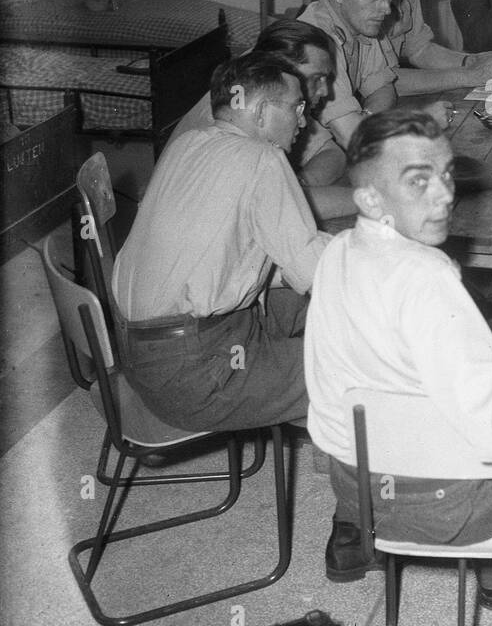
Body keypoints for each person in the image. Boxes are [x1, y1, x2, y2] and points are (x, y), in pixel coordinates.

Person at [304, 108, 492, 602]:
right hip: (447, 508)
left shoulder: (336, 251)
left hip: (359, 492)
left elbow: (398, 360)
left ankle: (352, 539)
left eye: (445, 174)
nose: (445, 195)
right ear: (370, 198)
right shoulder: (428, 277)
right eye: (419, 181)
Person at [112, 53, 331, 432]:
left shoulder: (188, 143)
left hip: (144, 355)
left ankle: (311, 410)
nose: (304, 119)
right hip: (197, 373)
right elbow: (317, 274)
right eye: (297, 106)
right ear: (261, 112)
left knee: (306, 305)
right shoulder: (262, 159)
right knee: (355, 365)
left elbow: (229, 254)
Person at [164, 18, 357, 221]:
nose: (325, 91)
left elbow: (332, 153)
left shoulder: (279, 106)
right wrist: (375, 200)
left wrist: (299, 183)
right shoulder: (232, 117)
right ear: (282, 74)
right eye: (316, 78)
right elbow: (281, 210)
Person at [300, 0, 455, 148]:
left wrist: (366, 121)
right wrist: (419, 122)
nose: (386, 9)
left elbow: (383, 88)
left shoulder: (361, 23)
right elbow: (351, 137)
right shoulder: (318, 40)